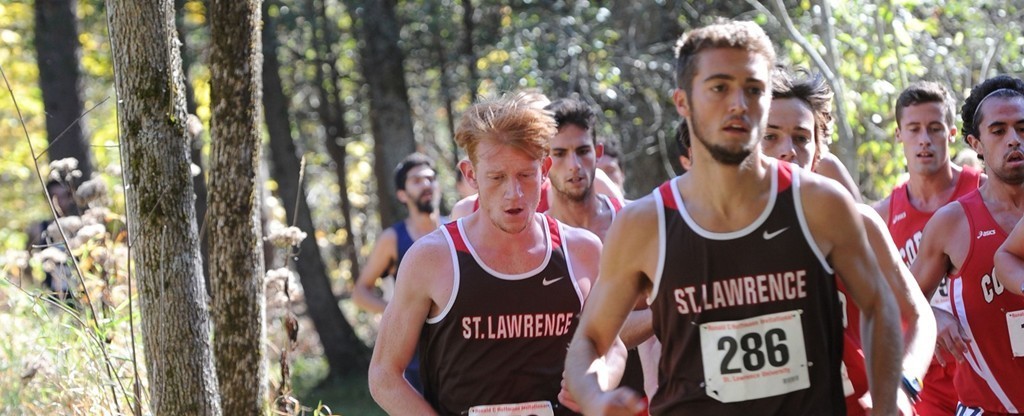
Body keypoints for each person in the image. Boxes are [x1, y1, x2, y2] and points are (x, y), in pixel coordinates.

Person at [563, 19, 902, 415]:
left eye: (754, 90)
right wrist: (595, 399)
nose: (739, 104)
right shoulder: (645, 223)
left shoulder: (819, 204)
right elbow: (589, 340)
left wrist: (885, 405)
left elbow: (881, 306)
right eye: (720, 88)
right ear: (683, 102)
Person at [368, 91, 612, 415]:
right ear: (470, 175)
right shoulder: (433, 258)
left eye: (526, 175)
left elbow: (612, 344)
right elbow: (384, 374)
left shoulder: (582, 250)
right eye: (496, 177)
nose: (514, 193)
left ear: (545, 169)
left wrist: (599, 383)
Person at [763, 67, 935, 415]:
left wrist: (903, 384)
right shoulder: (717, 238)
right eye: (770, 136)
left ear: (817, 149)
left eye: (800, 137)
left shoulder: (859, 224)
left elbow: (919, 316)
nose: (787, 150)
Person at [911, 75, 1024, 414]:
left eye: (1022, 127)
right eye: (999, 131)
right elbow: (901, 304)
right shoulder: (952, 223)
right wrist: (933, 314)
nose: (1014, 140)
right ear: (976, 143)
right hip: (986, 407)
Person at [872, 81, 984, 416]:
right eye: (914, 129)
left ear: (951, 133)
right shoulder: (883, 215)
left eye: (934, 128)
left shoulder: (983, 190)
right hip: (929, 375)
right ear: (898, 135)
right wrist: (928, 313)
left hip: (985, 365)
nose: (924, 139)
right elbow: (875, 297)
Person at [354, 152, 442, 392]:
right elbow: (360, 292)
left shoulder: (455, 229)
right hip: (412, 353)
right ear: (402, 194)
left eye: (431, 178)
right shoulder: (393, 238)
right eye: (416, 180)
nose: (427, 184)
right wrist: (396, 312)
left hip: (451, 345)